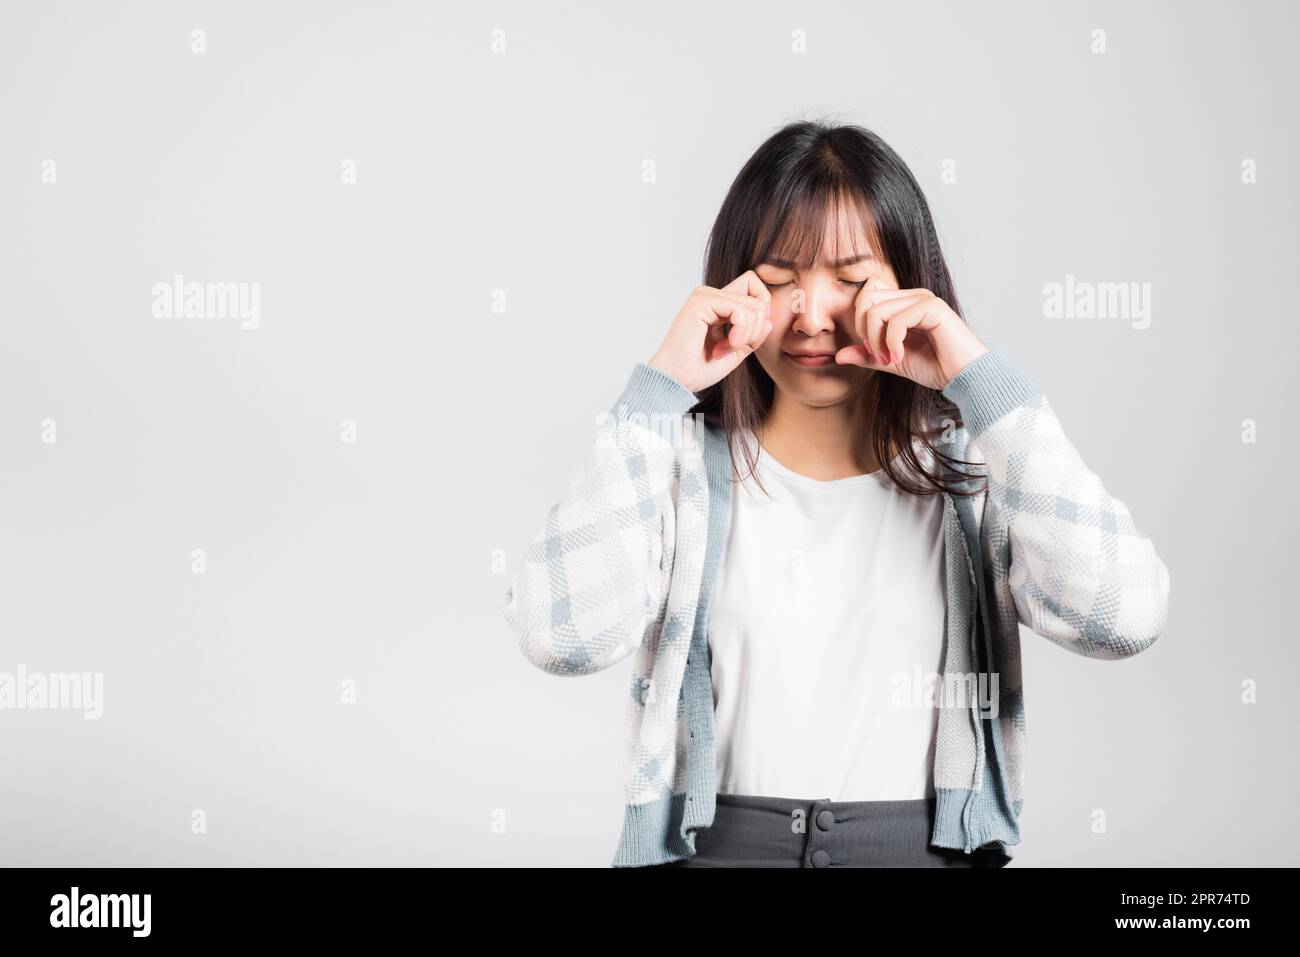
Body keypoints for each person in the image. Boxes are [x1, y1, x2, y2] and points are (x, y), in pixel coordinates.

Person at [502, 119, 1171, 868]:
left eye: (852, 280)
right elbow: (560, 637)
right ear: (735, 284)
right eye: (781, 281)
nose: (813, 316)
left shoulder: (975, 473)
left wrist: (978, 381)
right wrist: (657, 391)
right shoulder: (679, 464)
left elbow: (1123, 615)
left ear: (912, 283)